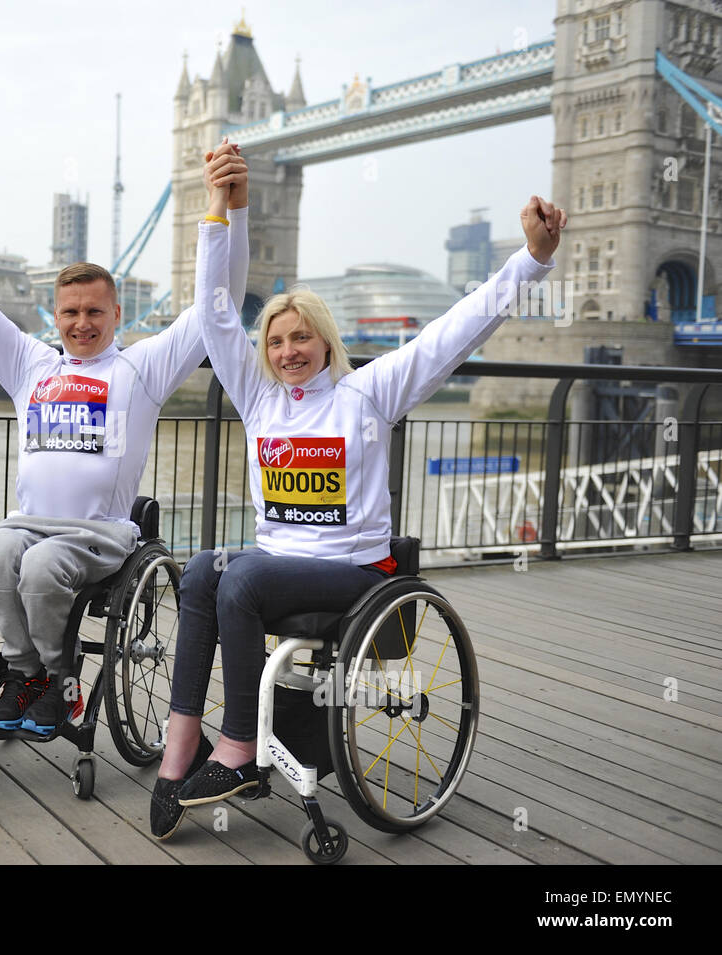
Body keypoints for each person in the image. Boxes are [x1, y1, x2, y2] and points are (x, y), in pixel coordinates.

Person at [151, 151, 566, 839]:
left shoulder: (368, 394)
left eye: (302, 337)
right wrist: (221, 210)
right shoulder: (259, 401)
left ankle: (241, 747)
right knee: (202, 568)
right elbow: (212, 311)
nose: (289, 350)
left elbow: (454, 333)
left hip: (359, 576)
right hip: (277, 572)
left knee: (239, 575)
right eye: (277, 341)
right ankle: (182, 739)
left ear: (325, 341)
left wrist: (532, 260)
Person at [0, 140, 250, 735]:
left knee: (45, 565)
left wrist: (228, 206)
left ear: (116, 313)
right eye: (70, 312)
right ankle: (27, 675)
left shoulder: (142, 368)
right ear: (55, 315)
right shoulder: (31, 364)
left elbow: (218, 304)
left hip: (99, 535)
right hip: (30, 522)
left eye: (94, 313)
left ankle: (60, 677)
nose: (81, 323)